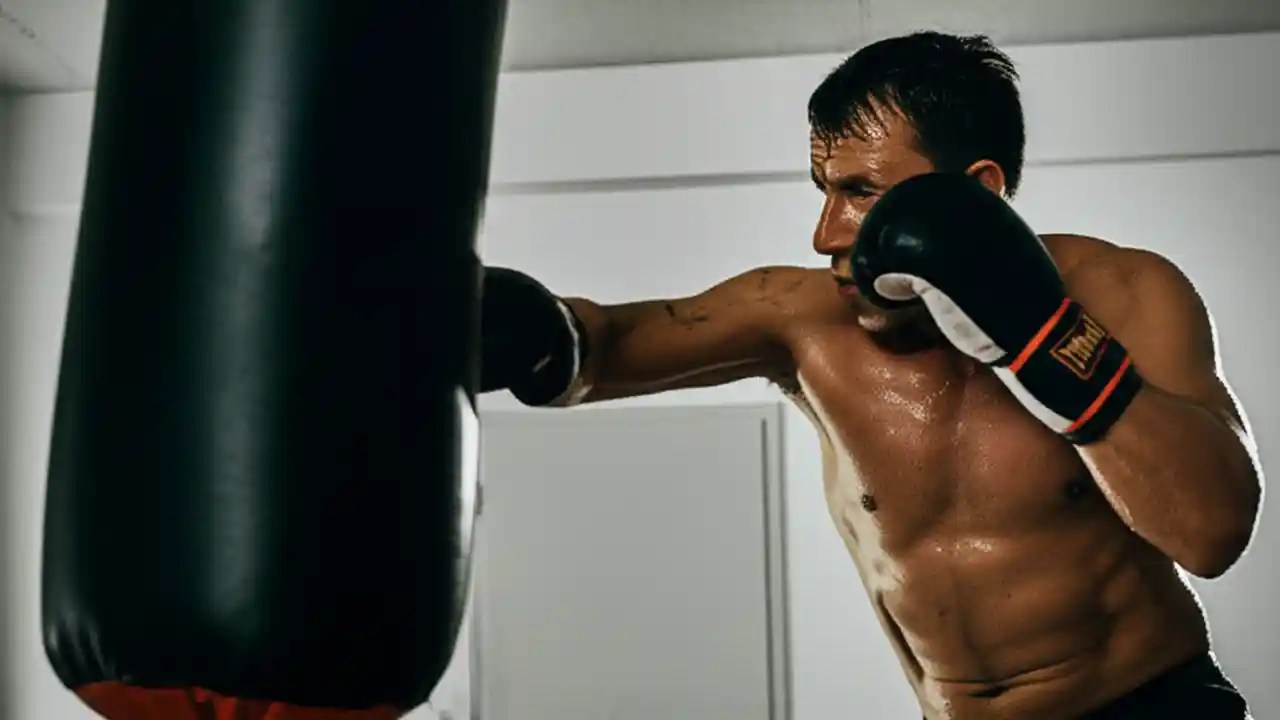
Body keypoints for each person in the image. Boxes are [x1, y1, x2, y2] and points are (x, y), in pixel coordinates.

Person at [479, 32, 1262, 720]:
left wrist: (1043, 335)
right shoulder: (800, 319)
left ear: (976, 192)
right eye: (824, 189)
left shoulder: (1127, 292)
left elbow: (1213, 532)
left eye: (861, 192)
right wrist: (515, 328)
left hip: (1150, 706)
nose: (825, 232)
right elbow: (603, 345)